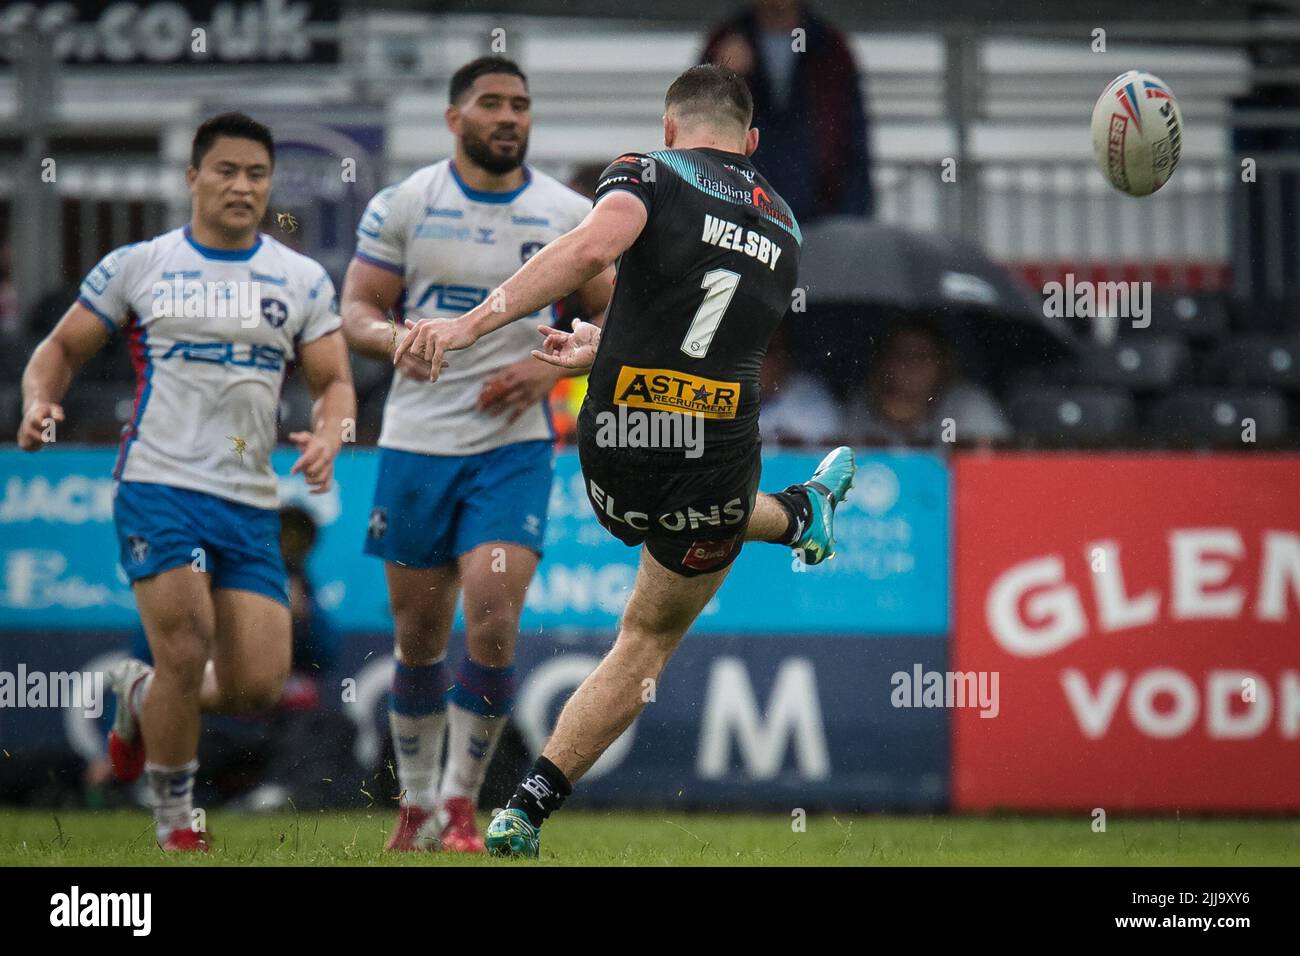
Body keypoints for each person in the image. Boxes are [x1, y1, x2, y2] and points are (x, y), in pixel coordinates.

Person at [393, 63, 857, 858]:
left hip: (616, 455)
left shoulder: (648, 170)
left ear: (671, 128)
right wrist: (606, 348)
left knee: (647, 550)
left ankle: (799, 517)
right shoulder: (784, 222)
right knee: (643, 641)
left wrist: (474, 326)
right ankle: (527, 809)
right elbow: (709, 341)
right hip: (714, 458)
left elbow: (589, 251)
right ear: (750, 142)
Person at [16, 112, 355, 851]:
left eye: (256, 174)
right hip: (158, 484)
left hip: (249, 499)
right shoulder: (140, 265)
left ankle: (139, 698)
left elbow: (334, 381)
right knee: (184, 645)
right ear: (192, 176)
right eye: (227, 170)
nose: (242, 185)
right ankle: (175, 815)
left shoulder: (298, 280)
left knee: (255, 687)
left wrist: (330, 436)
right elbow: (59, 347)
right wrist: (40, 399)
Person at [340, 56, 612, 853]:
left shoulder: (570, 213)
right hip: (417, 444)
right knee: (419, 634)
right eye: (491, 103)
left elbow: (618, 328)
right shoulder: (407, 203)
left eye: (520, 105)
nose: (509, 117)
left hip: (512, 450)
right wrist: (398, 340)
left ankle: (462, 802)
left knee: (493, 622)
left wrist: (545, 367)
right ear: (455, 118)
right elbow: (356, 309)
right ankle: (416, 802)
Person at [702, 0, 873, 223]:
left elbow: (853, 145)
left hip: (819, 216)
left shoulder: (829, 48)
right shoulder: (725, 42)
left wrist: (851, 219)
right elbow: (698, 130)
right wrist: (725, 77)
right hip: (741, 217)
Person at [845, 313, 1011, 446]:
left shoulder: (967, 404)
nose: (911, 364)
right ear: (884, 362)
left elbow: (992, 465)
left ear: (942, 363)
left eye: (921, 356)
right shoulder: (864, 406)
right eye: (902, 354)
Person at [759, 324, 844, 445]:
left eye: (768, 350)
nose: (756, 359)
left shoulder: (813, 399)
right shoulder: (726, 391)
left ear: (783, 354)